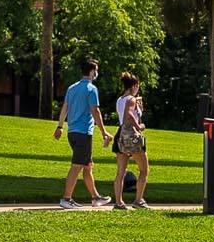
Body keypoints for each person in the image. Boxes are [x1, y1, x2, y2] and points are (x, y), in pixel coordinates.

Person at [54, 56, 108, 209]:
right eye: (96, 70)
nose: (96, 73)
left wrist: (59, 126)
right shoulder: (91, 89)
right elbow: (95, 111)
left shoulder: (72, 88)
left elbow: (65, 107)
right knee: (77, 166)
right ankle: (66, 199)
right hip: (84, 133)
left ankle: (95, 197)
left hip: (72, 132)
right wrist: (104, 132)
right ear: (91, 72)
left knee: (87, 165)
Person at [109, 71, 152, 210]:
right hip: (132, 136)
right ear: (134, 86)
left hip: (120, 135)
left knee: (120, 172)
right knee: (144, 170)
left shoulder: (120, 99)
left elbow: (125, 114)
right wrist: (138, 126)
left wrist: (140, 108)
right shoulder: (131, 99)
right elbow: (129, 115)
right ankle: (138, 200)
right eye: (137, 86)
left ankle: (119, 202)